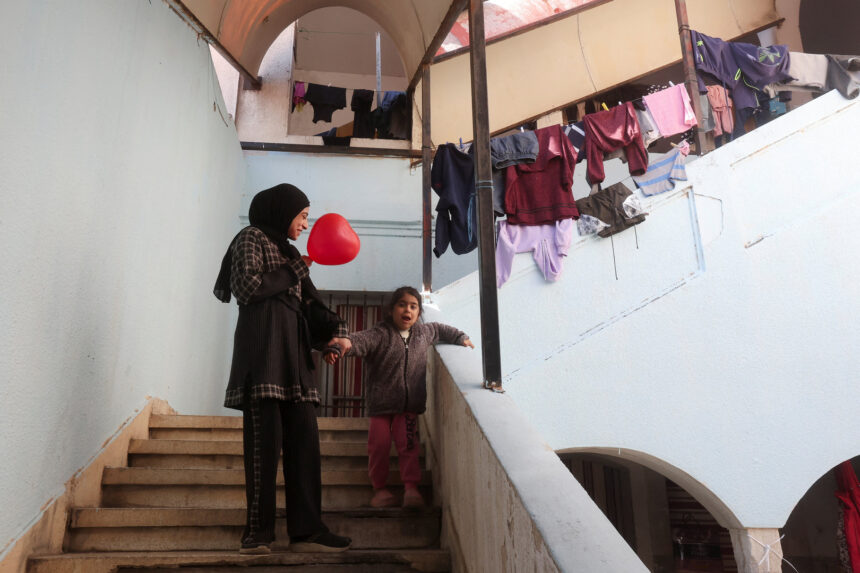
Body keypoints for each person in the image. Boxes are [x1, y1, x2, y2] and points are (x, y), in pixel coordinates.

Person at [213, 183, 353, 554]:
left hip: (296, 370)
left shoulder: (290, 253)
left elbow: (311, 308)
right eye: (303, 216)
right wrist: (295, 270)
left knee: (305, 449)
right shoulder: (251, 238)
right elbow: (247, 287)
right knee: (262, 451)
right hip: (262, 361)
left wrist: (335, 336)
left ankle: (307, 529)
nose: (306, 225)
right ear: (282, 211)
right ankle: (257, 534)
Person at [331, 286, 473, 508]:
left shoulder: (424, 333)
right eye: (402, 304)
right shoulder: (380, 334)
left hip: (408, 408)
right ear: (391, 310)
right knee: (379, 446)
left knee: (408, 447)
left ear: (418, 313)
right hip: (381, 408)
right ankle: (380, 490)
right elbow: (360, 341)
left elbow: (441, 329)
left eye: (413, 306)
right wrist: (345, 343)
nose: (408, 309)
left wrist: (461, 337)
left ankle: (411, 489)